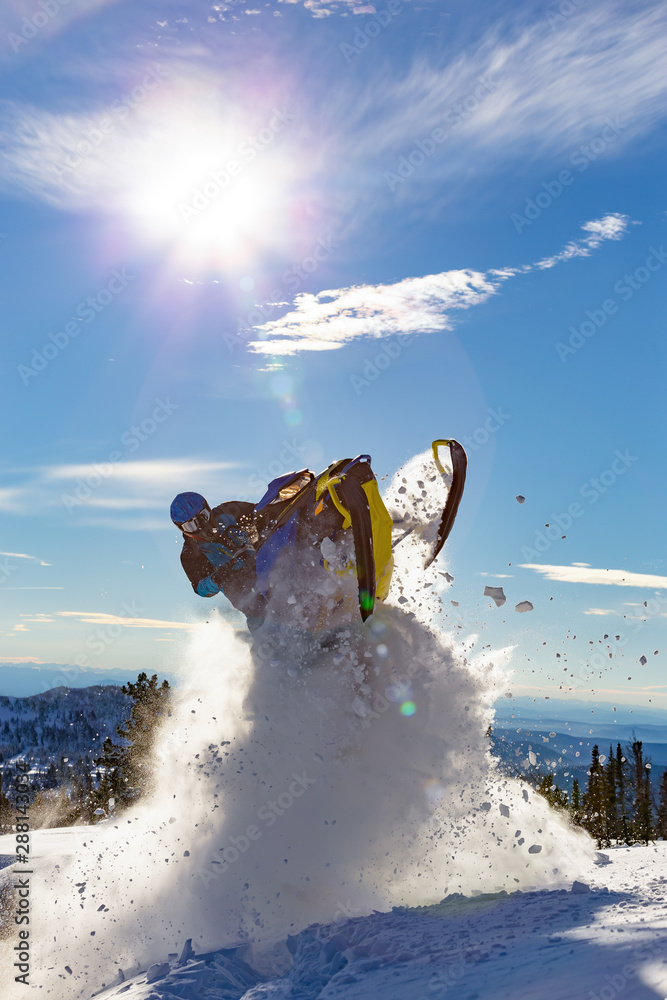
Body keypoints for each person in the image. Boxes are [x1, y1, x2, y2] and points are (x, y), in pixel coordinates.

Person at [170, 491, 267, 630]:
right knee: (259, 612)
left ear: (208, 509)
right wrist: (216, 579)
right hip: (240, 587)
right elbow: (200, 587)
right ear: (182, 529)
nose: (200, 526)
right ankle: (270, 643)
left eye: (203, 517)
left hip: (263, 561)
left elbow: (263, 512)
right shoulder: (190, 553)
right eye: (190, 526)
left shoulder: (230, 511)